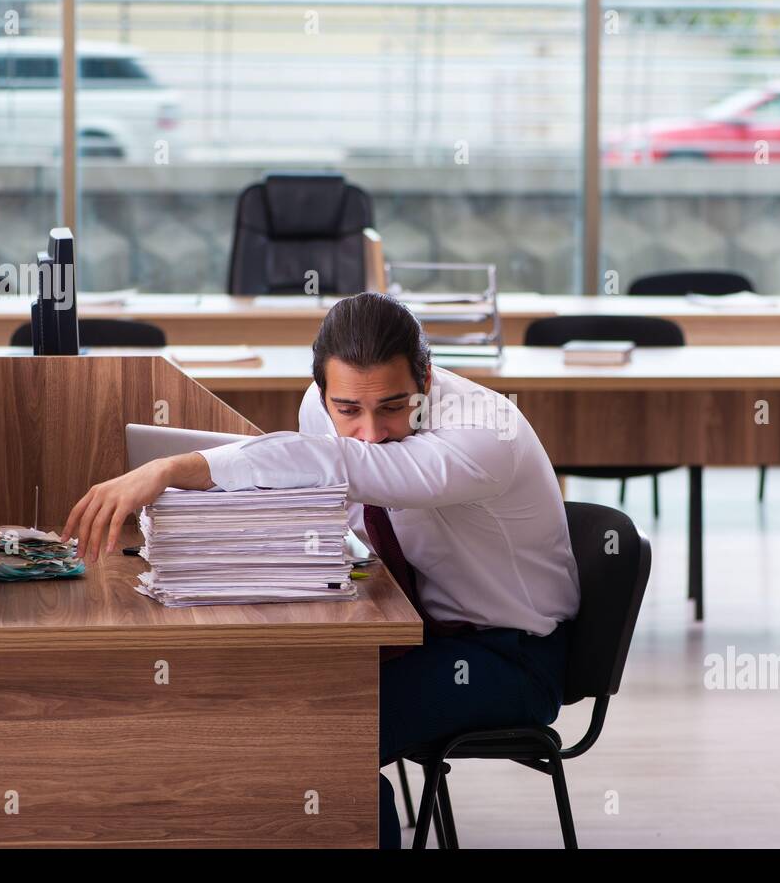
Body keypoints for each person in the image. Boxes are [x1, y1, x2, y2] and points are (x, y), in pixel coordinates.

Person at [63, 291, 580, 848]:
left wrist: (170, 469)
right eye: (349, 409)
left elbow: (341, 463)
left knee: (325, 735)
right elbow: (335, 504)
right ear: (322, 390)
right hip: (416, 628)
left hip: (510, 655)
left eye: (393, 405)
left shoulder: (485, 432)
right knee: (261, 697)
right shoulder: (320, 406)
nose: (371, 430)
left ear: (427, 381)